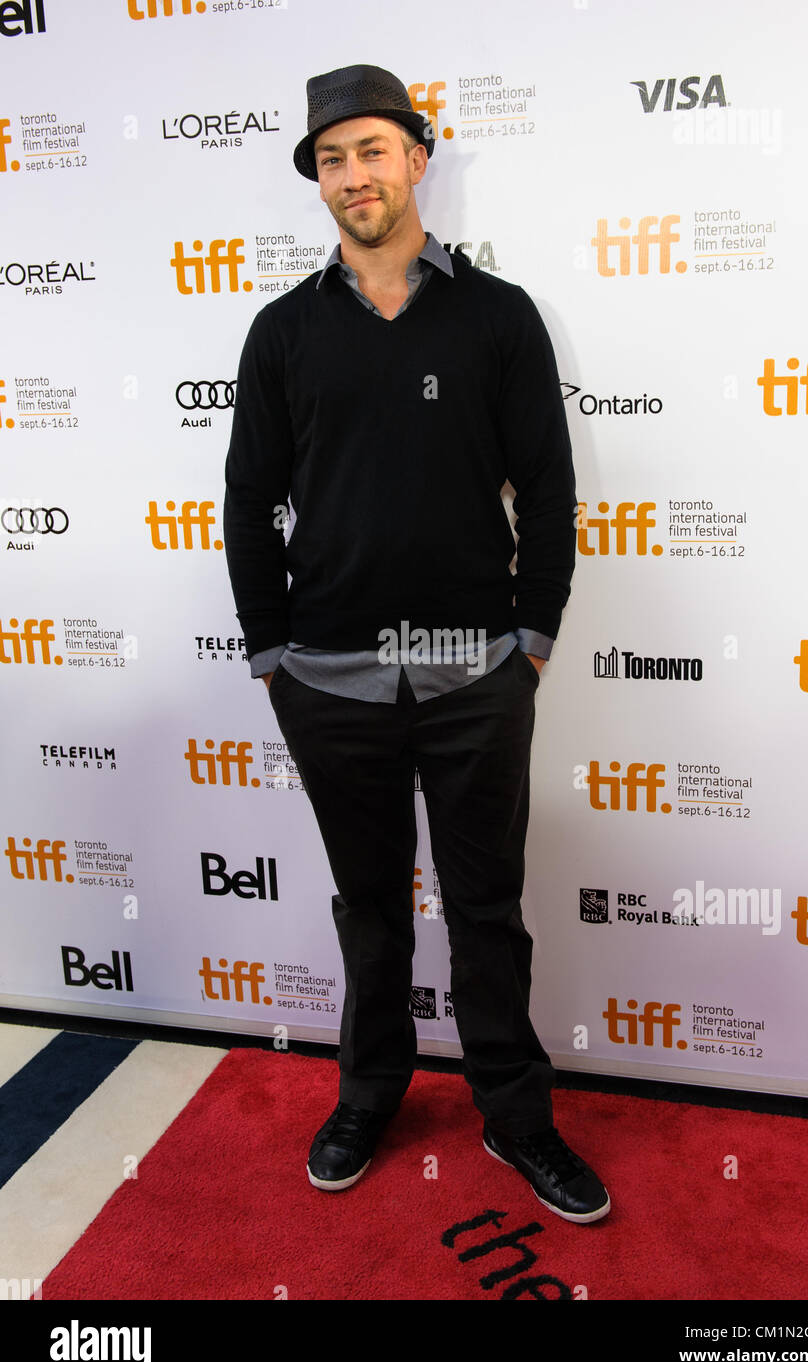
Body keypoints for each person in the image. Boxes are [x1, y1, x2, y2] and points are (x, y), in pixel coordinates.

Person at [222, 63, 610, 1223]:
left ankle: (516, 1115)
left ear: (417, 160)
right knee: (370, 907)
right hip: (329, 681)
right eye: (332, 159)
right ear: (320, 181)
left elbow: (549, 489)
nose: (355, 176)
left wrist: (530, 637)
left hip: (477, 674)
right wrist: (271, 654)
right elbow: (247, 501)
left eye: (373, 151)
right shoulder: (283, 331)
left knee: (487, 907)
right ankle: (368, 1096)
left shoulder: (497, 315)